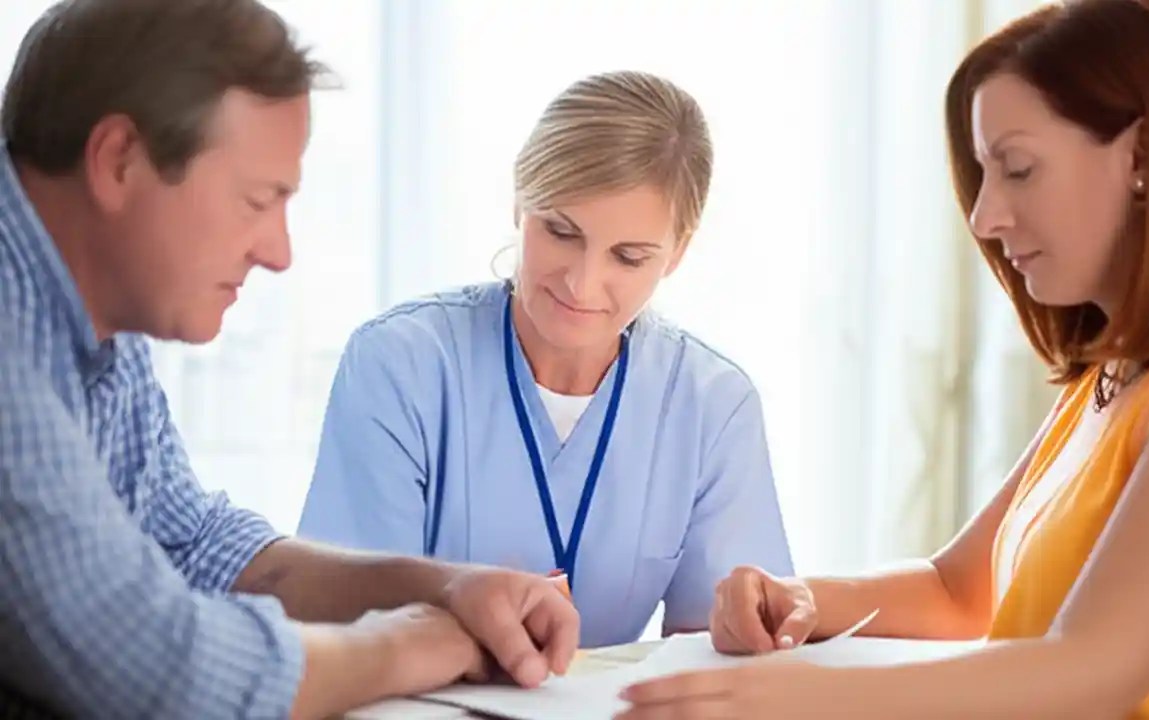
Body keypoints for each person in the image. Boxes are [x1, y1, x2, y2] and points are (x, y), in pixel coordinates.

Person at [618, 0, 1149, 717]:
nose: (984, 217)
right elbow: (960, 591)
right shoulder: (1121, 368)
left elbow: (1096, 669)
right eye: (984, 173)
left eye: (1018, 169)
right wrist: (801, 600)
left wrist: (804, 698)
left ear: (1142, 158)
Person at [0, 2, 578, 718]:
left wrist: (446, 588)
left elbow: (196, 546)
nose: (279, 252)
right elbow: (152, 668)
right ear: (119, 160)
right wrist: (411, 644)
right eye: (257, 200)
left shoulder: (97, 323)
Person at [297, 70, 794, 648]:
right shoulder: (400, 366)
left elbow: (720, 648)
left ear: (678, 251)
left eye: (628, 258)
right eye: (560, 232)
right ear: (519, 201)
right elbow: (344, 627)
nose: (582, 284)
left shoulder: (711, 406)